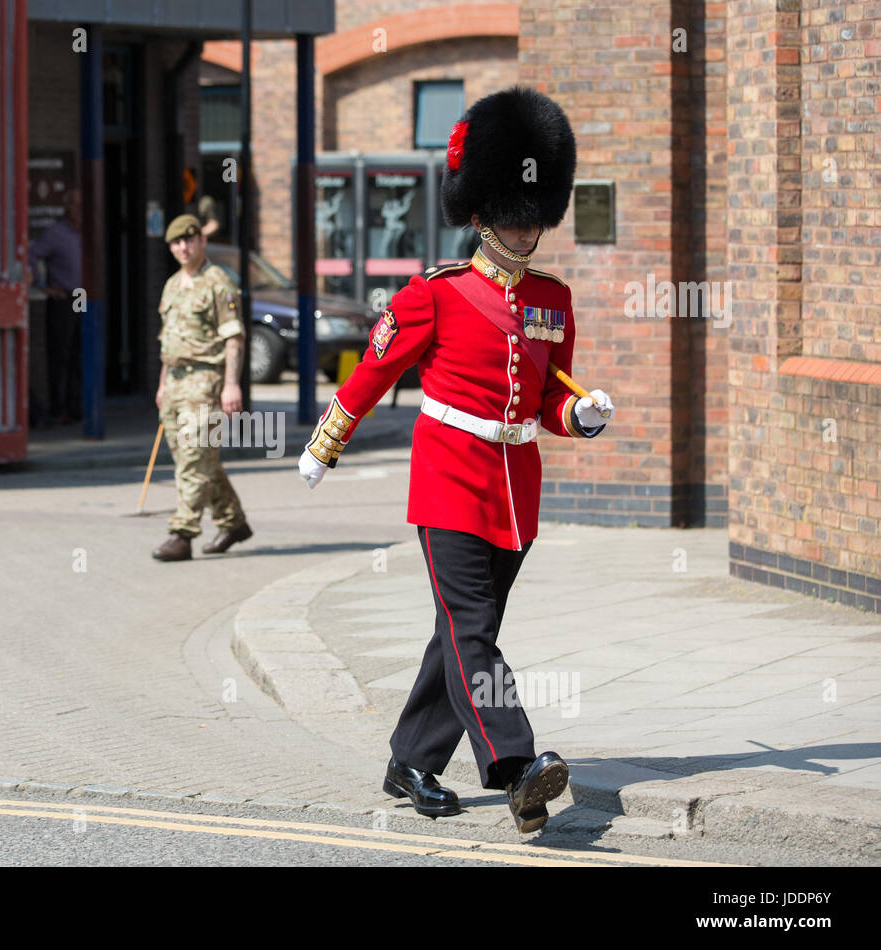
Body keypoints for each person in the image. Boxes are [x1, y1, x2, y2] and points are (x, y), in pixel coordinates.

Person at [297, 87, 616, 834]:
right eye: (512, 214)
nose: (526, 227)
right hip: (447, 483)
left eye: (534, 214)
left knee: (459, 635)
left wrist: (582, 416)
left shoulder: (552, 301)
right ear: (479, 215)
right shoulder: (434, 296)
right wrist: (326, 443)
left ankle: (411, 759)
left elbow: (546, 404)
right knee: (473, 631)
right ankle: (517, 765)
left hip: (516, 493)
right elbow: (373, 373)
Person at [151, 214, 253, 562]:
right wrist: (163, 383)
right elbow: (168, 340)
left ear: (201, 242)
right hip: (176, 382)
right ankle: (233, 522)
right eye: (176, 242)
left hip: (205, 380)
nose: (183, 247)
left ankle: (182, 534)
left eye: (189, 240)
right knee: (197, 459)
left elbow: (234, 336)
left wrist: (230, 385)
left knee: (195, 459)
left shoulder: (218, 282)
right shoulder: (171, 285)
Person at [29, 187, 82, 425]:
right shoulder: (56, 233)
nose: (78, 210)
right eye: (73, 205)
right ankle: (58, 408)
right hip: (63, 299)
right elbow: (32, 255)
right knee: (60, 354)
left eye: (81, 205)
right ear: (66, 208)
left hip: (85, 298)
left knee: (81, 353)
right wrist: (42, 285)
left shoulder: (89, 232)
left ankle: (76, 407)